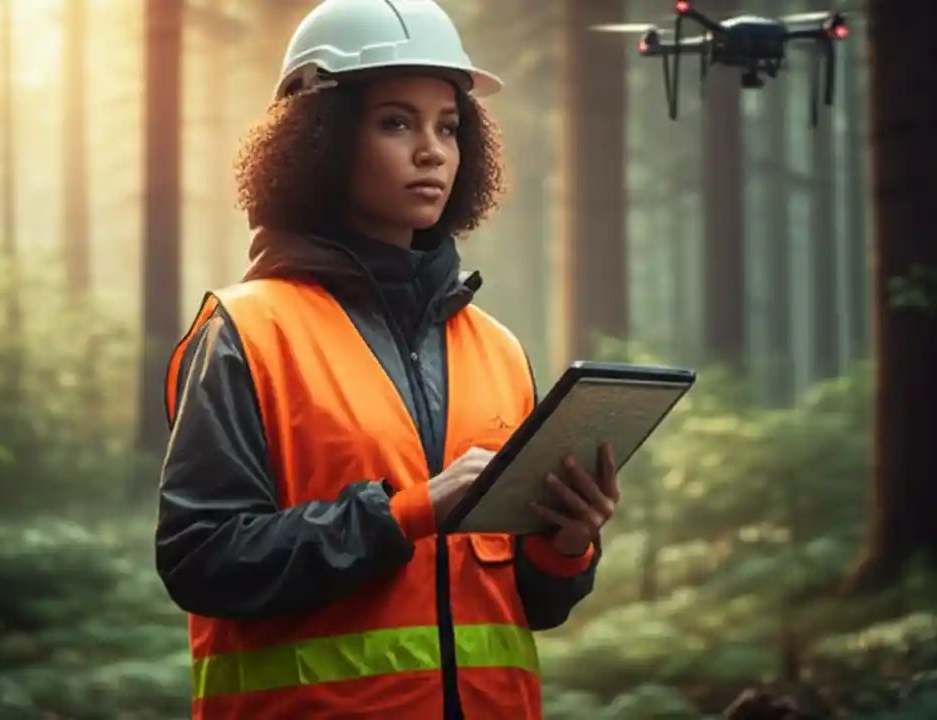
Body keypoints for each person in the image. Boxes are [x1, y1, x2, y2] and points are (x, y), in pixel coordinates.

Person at [155, 1, 621, 718]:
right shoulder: (246, 331)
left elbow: (531, 605)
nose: (431, 150)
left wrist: (567, 543)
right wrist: (403, 514)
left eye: (448, 126)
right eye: (395, 122)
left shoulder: (497, 348)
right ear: (322, 140)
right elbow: (202, 561)